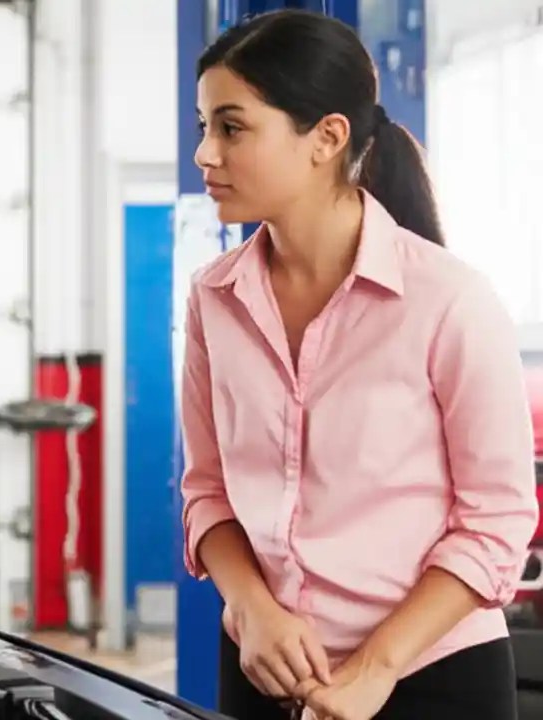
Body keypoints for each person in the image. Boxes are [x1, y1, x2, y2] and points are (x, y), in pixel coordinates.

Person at [181, 9, 537, 720]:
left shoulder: (448, 300)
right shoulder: (213, 299)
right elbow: (208, 492)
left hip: (430, 675)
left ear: (327, 137)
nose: (205, 154)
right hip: (265, 666)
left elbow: (497, 519)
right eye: (203, 127)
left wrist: (375, 669)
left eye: (232, 127)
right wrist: (253, 611)